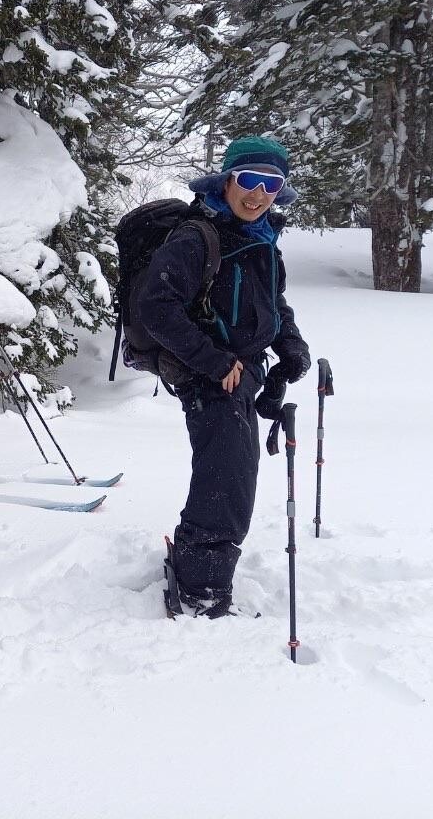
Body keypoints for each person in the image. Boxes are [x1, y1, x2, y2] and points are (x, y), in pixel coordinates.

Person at [139, 135, 311, 618]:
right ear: (228, 179)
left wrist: (290, 347)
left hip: (242, 370)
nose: (258, 194)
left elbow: (273, 304)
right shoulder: (198, 237)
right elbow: (157, 308)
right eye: (250, 181)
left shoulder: (262, 239)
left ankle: (195, 561)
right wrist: (214, 362)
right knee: (229, 473)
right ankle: (200, 587)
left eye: (271, 185)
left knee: (230, 468)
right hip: (204, 371)